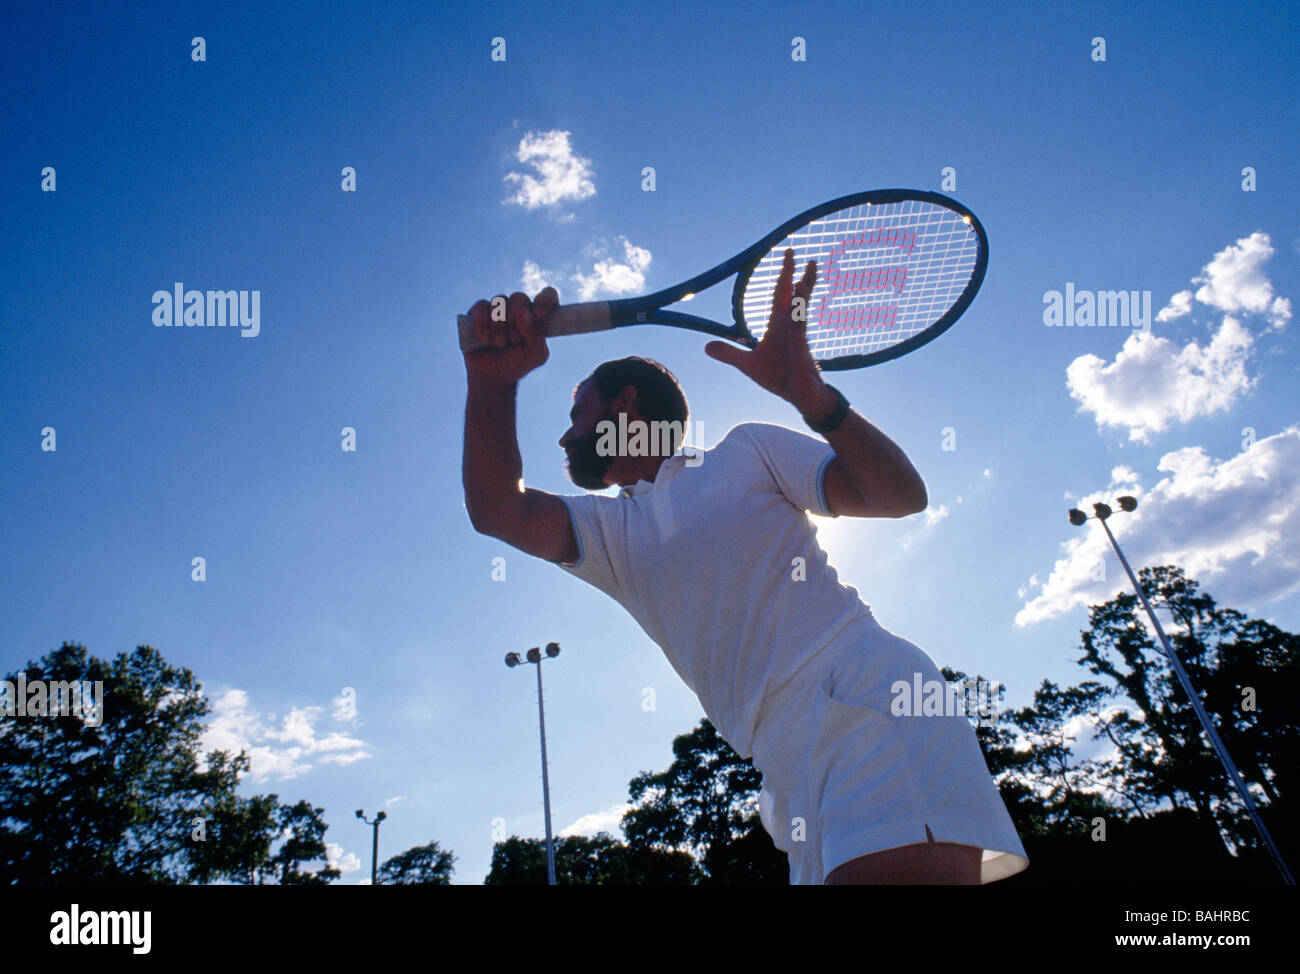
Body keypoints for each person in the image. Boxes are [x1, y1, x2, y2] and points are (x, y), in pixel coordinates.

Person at [461, 249, 1029, 884]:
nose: (566, 437)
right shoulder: (610, 530)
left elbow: (898, 497)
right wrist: (490, 380)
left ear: (624, 404)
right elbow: (497, 510)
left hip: (868, 695)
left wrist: (817, 400)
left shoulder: (746, 450)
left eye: (577, 414)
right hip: (784, 764)